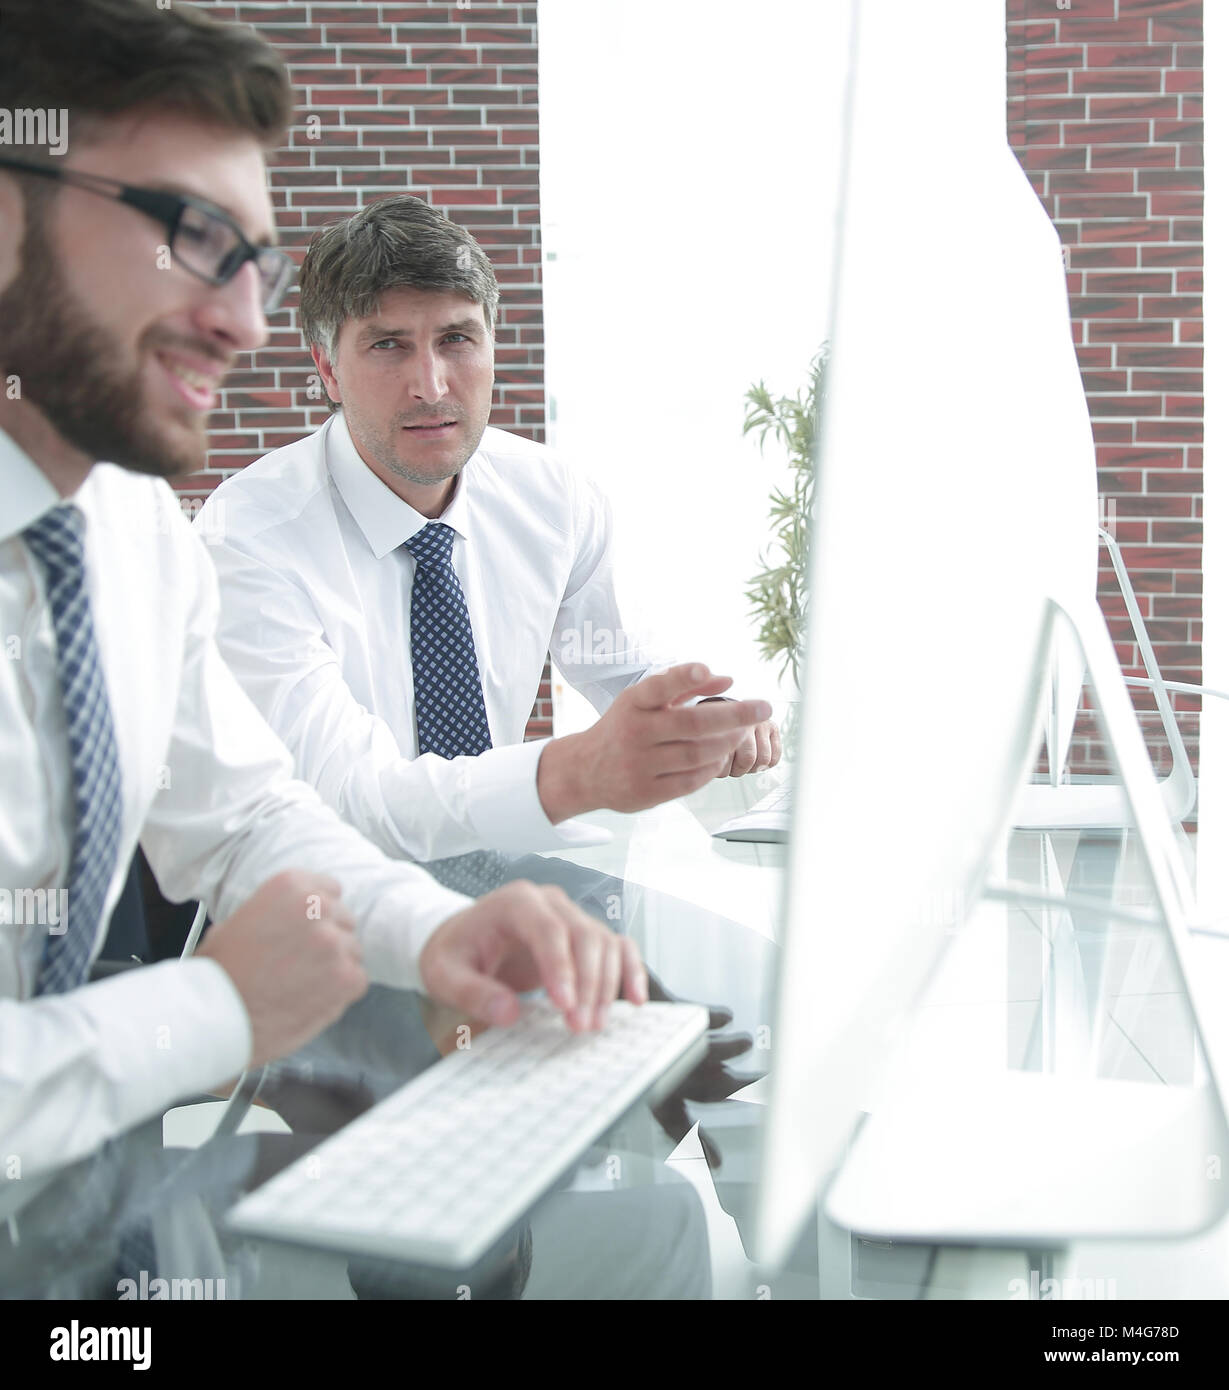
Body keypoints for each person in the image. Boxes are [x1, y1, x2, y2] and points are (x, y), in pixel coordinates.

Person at [0, 0, 645, 1183]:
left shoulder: (136, 527)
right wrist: (209, 1011)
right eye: (189, 237)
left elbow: (246, 817)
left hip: (79, 1201)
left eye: (253, 262)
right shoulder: (244, 527)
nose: (243, 320)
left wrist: (438, 927)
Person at [196, 195, 781, 865]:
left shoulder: (551, 498)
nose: (430, 385)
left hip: (497, 899)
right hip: (312, 914)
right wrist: (578, 770)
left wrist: (706, 717)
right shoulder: (245, 538)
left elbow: (621, 669)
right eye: (388, 345)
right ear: (327, 369)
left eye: (456, 339)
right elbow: (349, 799)